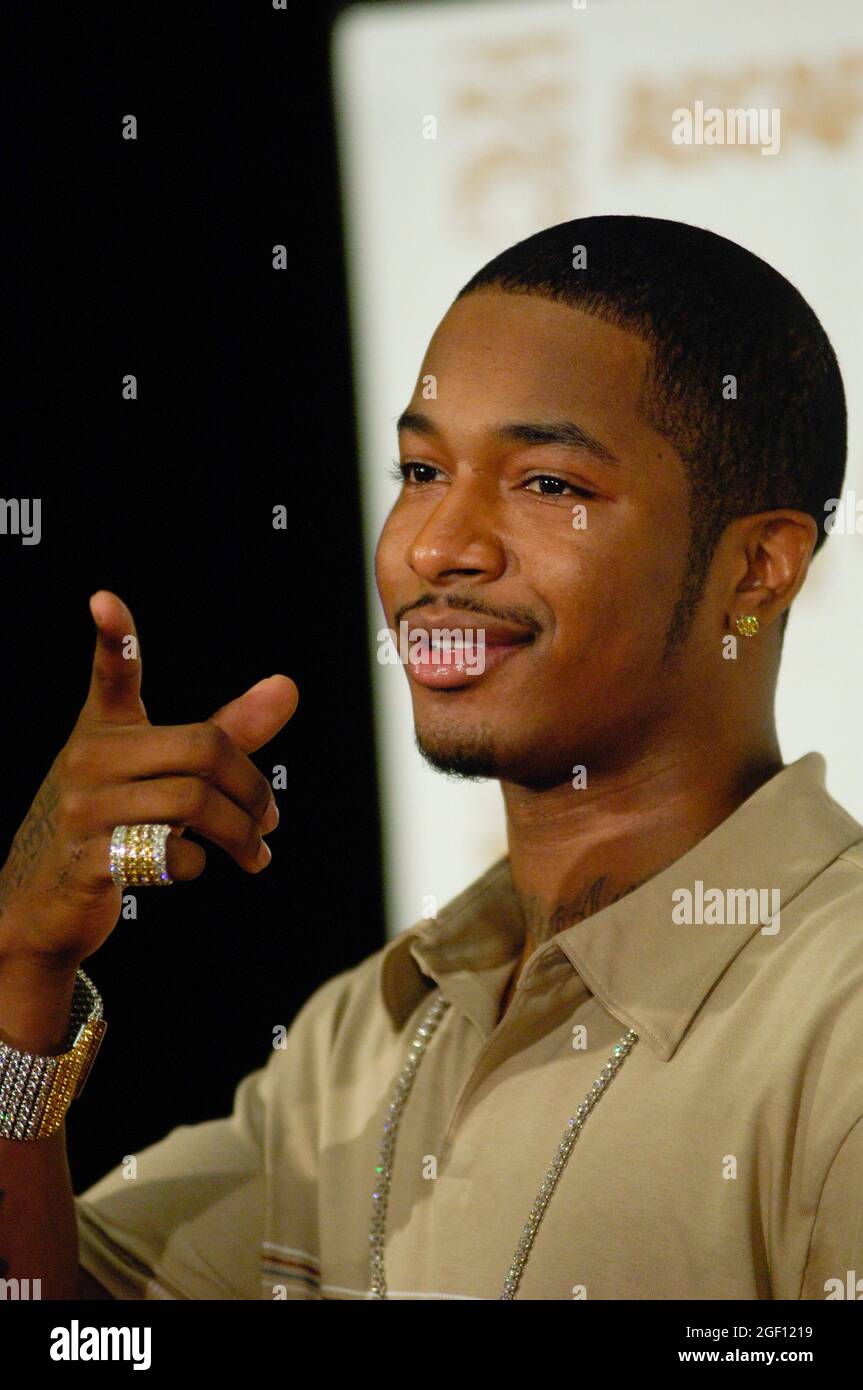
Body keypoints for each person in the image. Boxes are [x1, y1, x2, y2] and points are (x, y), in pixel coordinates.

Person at [1, 215, 861, 1301]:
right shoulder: (366, 1034)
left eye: (546, 483)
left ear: (757, 569)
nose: (432, 546)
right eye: (420, 468)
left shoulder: (838, 1024)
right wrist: (19, 974)